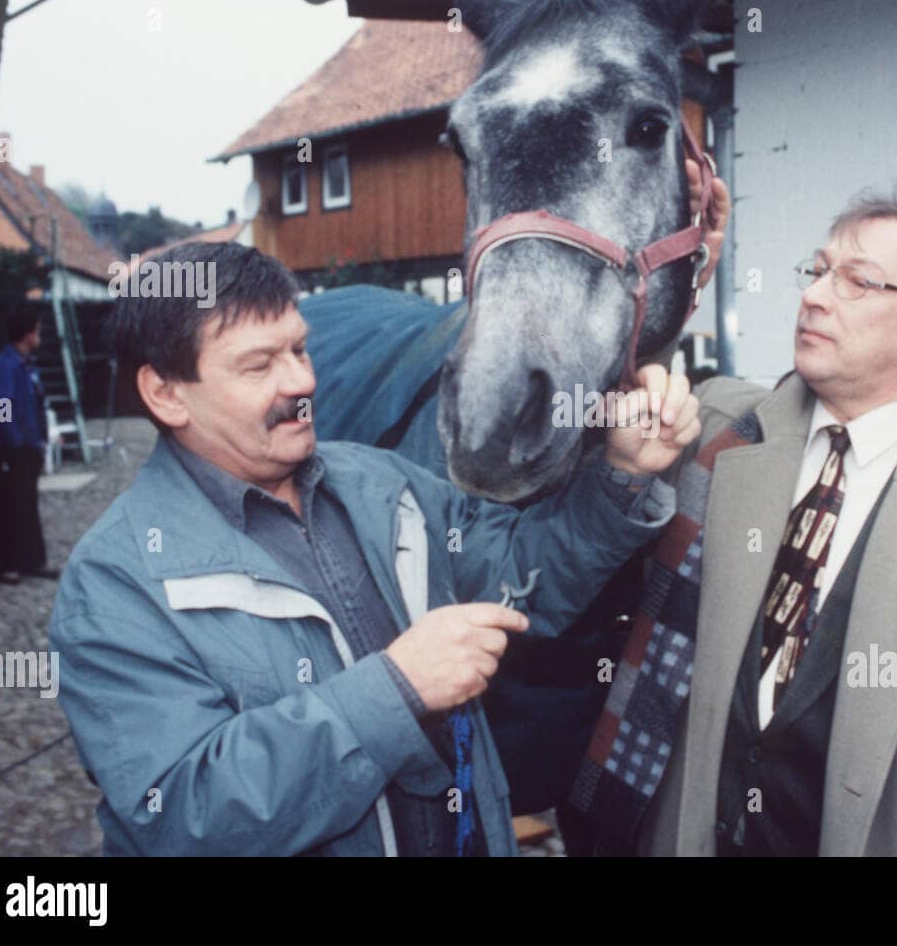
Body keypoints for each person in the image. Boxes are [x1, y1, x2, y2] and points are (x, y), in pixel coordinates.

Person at [48, 241, 700, 856]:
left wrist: (623, 473)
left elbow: (524, 573)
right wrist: (397, 690)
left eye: (299, 350)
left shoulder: (379, 482)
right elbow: (184, 814)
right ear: (165, 392)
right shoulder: (115, 584)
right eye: (258, 365)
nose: (300, 381)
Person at [571, 189, 897, 856]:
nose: (816, 295)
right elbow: (578, 540)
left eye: (857, 281)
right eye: (819, 271)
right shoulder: (715, 430)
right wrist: (623, 467)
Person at [0, 301, 57, 585]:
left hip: (28, 447)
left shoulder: (26, 366)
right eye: (37, 330)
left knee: (27, 506)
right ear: (27, 334)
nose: (40, 335)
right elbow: (2, 407)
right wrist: (12, 442)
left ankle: (30, 562)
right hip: (11, 449)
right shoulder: (4, 366)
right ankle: (1, 565)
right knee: (7, 507)